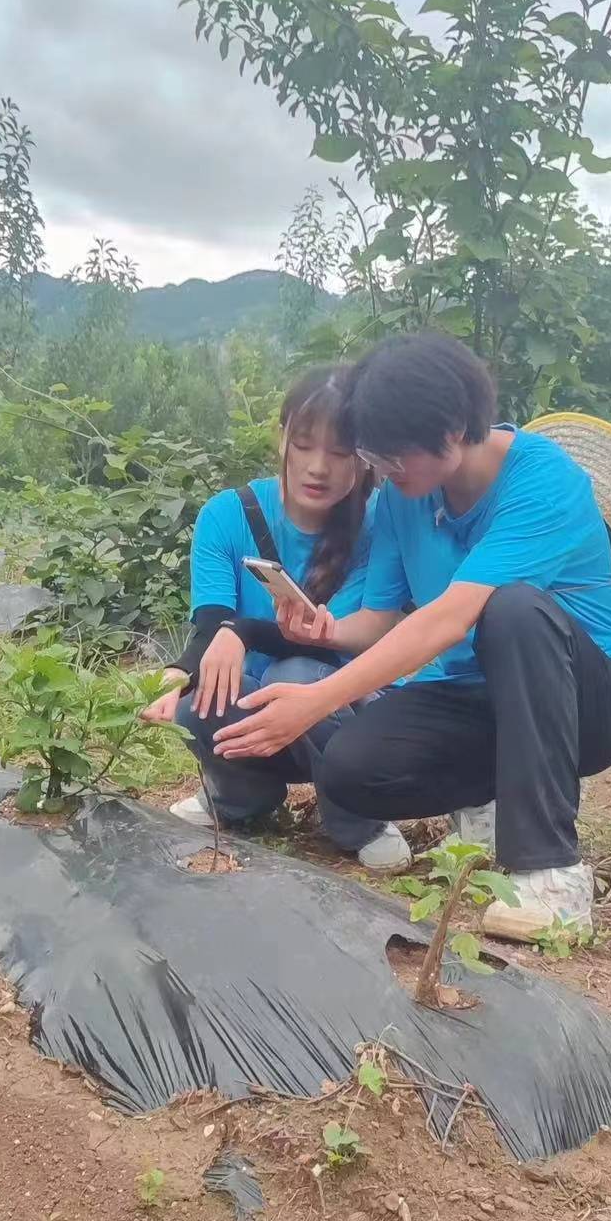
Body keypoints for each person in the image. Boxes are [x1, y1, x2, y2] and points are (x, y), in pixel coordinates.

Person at [209, 332, 611, 941]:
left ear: (451, 433)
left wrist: (319, 697)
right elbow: (384, 621)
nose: (383, 471)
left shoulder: (546, 481)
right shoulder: (400, 498)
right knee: (350, 770)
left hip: (590, 700)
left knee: (514, 608)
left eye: (394, 457)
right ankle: (499, 794)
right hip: (475, 695)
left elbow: (453, 617)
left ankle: (550, 872)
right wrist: (329, 628)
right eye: (376, 456)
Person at [141, 365, 414, 870]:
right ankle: (240, 798)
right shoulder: (227, 514)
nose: (318, 467)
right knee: (197, 697)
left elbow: (358, 637)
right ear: (283, 437)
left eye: (339, 452)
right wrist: (179, 672)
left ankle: (358, 815)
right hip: (256, 704)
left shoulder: (382, 522)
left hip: (343, 702)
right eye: (305, 445)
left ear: (364, 457)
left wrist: (244, 632)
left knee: (298, 674)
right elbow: (212, 621)